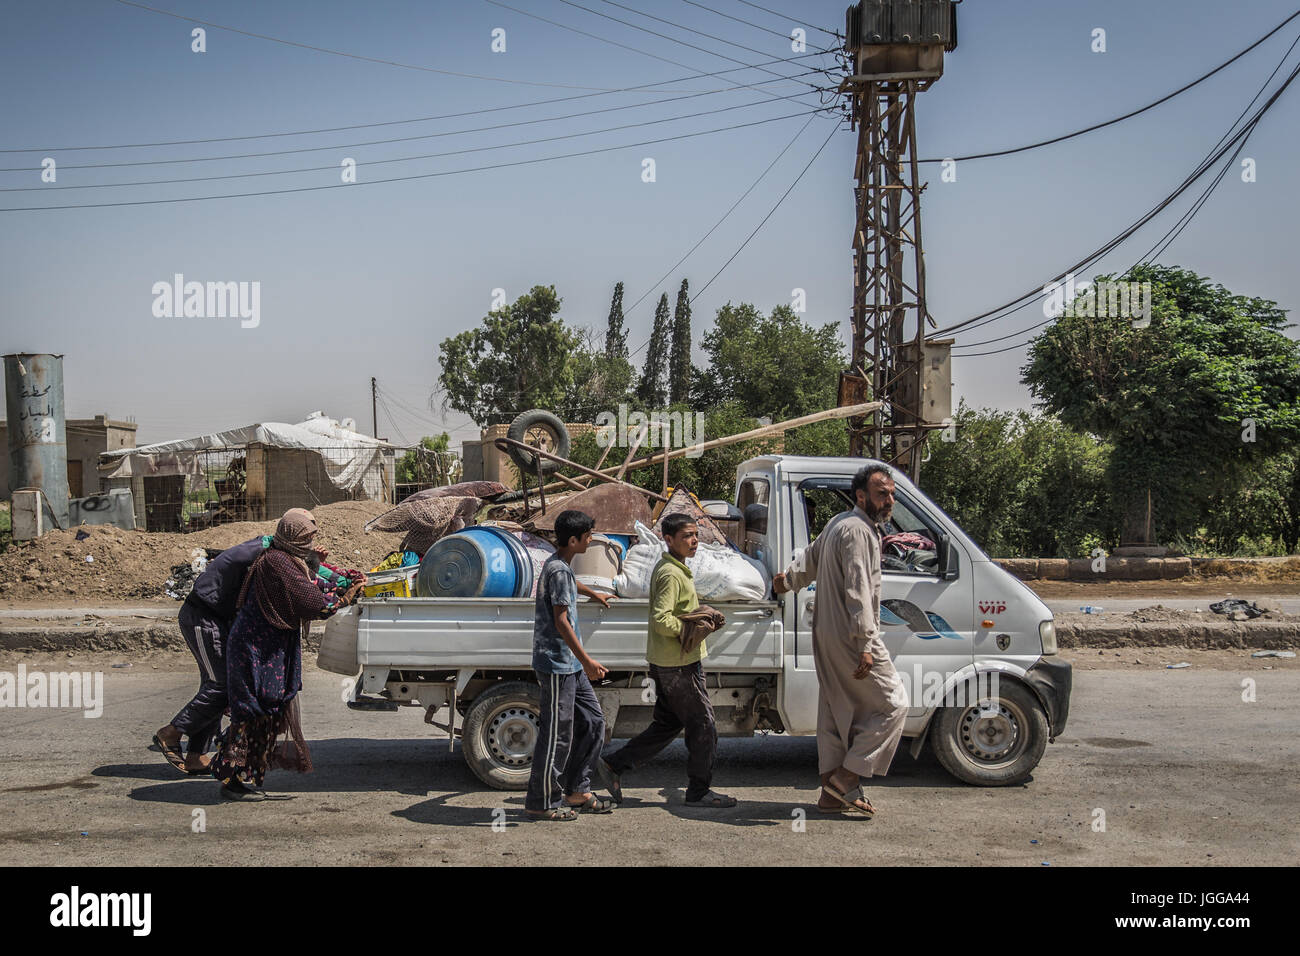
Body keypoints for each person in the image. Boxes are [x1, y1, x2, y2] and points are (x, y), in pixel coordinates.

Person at [772, 464, 908, 819]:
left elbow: (809, 562)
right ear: (861, 496)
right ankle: (846, 778)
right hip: (852, 634)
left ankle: (830, 794)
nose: (889, 499)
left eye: (892, 493)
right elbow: (858, 589)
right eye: (882, 493)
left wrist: (785, 582)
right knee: (894, 703)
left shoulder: (839, 523)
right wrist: (865, 642)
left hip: (826, 632)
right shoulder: (859, 531)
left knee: (835, 708)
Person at [210, 508, 363, 801]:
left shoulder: (289, 559)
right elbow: (316, 603)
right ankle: (231, 777)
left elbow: (317, 583)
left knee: (265, 713)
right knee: (252, 714)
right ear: (292, 537)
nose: (309, 543)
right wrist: (347, 595)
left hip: (267, 647)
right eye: (305, 538)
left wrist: (342, 582)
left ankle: (241, 777)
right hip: (254, 650)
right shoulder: (279, 563)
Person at [598, 514, 735, 809]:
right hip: (678, 665)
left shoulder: (676, 568)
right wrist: (690, 629)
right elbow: (661, 620)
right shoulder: (670, 573)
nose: (694, 540)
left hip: (669, 661)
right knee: (704, 725)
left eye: (696, 534)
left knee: (668, 723)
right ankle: (699, 792)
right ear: (668, 539)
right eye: (687, 536)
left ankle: (613, 765)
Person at [524, 509, 616, 821]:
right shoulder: (559, 570)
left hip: (569, 667)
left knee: (593, 721)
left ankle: (578, 789)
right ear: (574, 539)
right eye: (588, 536)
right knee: (557, 735)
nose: (591, 540)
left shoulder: (560, 564)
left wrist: (594, 593)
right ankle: (542, 802)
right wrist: (587, 661)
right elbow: (561, 621)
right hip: (557, 665)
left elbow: (570, 587)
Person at [154, 536, 266, 775]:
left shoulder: (266, 551)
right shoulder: (264, 553)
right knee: (221, 686)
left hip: (219, 621)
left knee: (217, 687)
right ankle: (172, 732)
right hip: (203, 620)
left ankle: (197, 755)